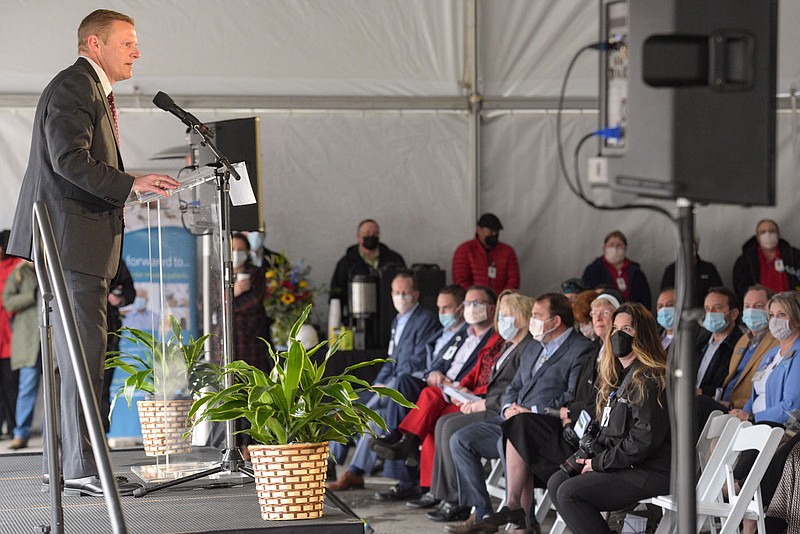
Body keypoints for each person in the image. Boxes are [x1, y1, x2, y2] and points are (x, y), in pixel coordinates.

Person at [5, 9, 179, 497]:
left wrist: (131, 185)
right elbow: (68, 160)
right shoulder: (76, 86)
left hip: (71, 242)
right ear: (93, 44)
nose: (137, 52)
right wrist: (129, 183)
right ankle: (82, 466)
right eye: (127, 43)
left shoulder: (86, 88)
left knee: (72, 359)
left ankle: (62, 465)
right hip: (72, 242)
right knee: (82, 357)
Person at [444, 293, 595, 533]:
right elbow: (514, 385)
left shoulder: (581, 349)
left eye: (537, 315)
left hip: (547, 424)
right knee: (460, 439)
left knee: (518, 433)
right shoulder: (534, 346)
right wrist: (507, 408)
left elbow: (572, 397)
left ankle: (522, 520)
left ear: (556, 321)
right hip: (512, 417)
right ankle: (483, 512)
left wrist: (529, 410)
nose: (532, 320)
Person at [372, 290, 526, 512]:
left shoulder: (497, 340)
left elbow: (493, 379)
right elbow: (446, 363)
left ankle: (409, 443)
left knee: (435, 413)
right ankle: (427, 478)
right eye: (467, 303)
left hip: (476, 398)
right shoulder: (463, 334)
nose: (470, 308)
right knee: (418, 397)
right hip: (455, 390)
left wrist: (462, 388)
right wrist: (439, 375)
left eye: (477, 303)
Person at [498, 292, 620, 534]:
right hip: (562, 427)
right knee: (517, 428)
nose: (597, 318)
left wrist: (564, 412)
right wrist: (508, 408)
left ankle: (517, 514)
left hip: (583, 438)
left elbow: (582, 399)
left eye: (605, 313)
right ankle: (519, 519)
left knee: (522, 429)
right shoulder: (593, 350)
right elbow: (514, 385)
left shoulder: (591, 350)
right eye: (593, 313)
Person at [547, 302, 671, 534]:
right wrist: (590, 455)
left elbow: (644, 439)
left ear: (642, 335)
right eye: (615, 329)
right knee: (557, 481)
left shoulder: (650, 378)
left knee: (569, 493)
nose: (617, 335)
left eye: (627, 330)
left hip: (650, 470)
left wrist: (599, 463)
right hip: (626, 463)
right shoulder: (621, 375)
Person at [326, 271, 439, 494]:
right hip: (388, 385)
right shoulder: (398, 320)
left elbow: (417, 362)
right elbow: (390, 360)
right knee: (344, 402)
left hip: (407, 389)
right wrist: (376, 384)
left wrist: (388, 387)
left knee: (373, 419)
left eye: (405, 292)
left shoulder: (425, 320)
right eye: (397, 292)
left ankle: (355, 473)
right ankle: (330, 463)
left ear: (416, 294)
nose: (401, 297)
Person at [696, 285, 778, 431]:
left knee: (697, 404)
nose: (752, 310)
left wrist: (735, 406)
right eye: (747, 306)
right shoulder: (744, 341)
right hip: (724, 404)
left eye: (758, 306)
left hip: (742, 410)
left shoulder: (777, 343)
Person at [730, 291, 800, 425]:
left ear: (796, 320)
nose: (775, 321)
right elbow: (755, 394)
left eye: (781, 315)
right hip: (754, 424)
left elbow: (791, 407)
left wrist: (752, 418)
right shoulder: (771, 354)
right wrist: (743, 414)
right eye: (772, 315)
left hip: (776, 430)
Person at [329, 218, 406, 315]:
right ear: (358, 237)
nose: (371, 236)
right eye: (367, 233)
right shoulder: (346, 263)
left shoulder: (394, 260)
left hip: (389, 314)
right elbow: (336, 294)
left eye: (375, 234)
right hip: (357, 316)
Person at [4, 260, 40, 450]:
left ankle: (56, 434)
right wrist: (32, 295)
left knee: (59, 389)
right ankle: (21, 433)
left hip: (52, 338)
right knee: (27, 388)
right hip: (29, 341)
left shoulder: (53, 268)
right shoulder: (20, 273)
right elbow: (7, 302)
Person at [100, 259, 135, 433]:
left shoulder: (115, 261)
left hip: (109, 336)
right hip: (78, 335)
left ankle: (100, 437)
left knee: (103, 389)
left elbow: (130, 292)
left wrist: (118, 299)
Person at [452, 213, 520, 294]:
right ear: (478, 230)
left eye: (496, 231)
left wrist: (502, 298)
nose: (494, 234)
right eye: (490, 231)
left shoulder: (508, 251)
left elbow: (514, 280)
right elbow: (460, 281)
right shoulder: (464, 250)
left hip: (501, 301)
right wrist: (477, 297)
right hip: (473, 302)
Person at [581, 230, 652, 308]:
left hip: (631, 314)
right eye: (611, 245)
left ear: (625, 248)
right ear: (604, 248)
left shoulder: (636, 273)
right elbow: (585, 297)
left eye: (619, 245)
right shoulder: (593, 270)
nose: (615, 248)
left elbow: (645, 299)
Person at [733, 219, 800, 300]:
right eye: (763, 232)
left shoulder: (795, 256)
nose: (768, 234)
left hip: (792, 306)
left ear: (778, 235)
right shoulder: (744, 261)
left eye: (771, 231)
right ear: (757, 237)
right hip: (759, 307)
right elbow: (740, 290)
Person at [231, 233, 269, 370]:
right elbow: (205, 304)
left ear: (247, 251)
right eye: (232, 249)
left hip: (250, 341)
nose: (236, 254)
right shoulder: (218, 274)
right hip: (224, 342)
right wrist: (233, 293)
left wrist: (226, 305)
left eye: (240, 250)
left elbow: (254, 302)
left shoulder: (256, 273)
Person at [696, 287, 742, 398]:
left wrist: (702, 392)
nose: (710, 313)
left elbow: (732, 387)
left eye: (717, 308)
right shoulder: (700, 340)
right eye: (707, 308)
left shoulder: (740, 345)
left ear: (734, 314)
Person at [0, 230, 22, 439]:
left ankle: (14, 427)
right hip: (5, 337)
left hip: (11, 339)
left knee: (11, 385)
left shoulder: (18, 267)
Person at [660, 238, 723, 308]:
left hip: (706, 313)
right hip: (678, 314)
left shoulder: (709, 269)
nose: (688, 248)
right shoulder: (671, 271)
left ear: (697, 246)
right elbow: (665, 296)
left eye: (691, 244)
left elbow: (719, 294)